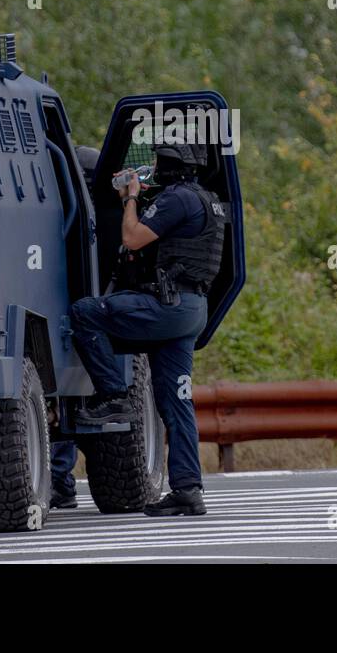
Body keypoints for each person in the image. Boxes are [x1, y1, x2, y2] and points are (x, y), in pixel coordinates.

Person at [68, 139, 226, 517]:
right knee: (177, 403)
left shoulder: (177, 199)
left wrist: (131, 197)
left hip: (167, 309)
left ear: (172, 163)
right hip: (191, 310)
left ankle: (114, 396)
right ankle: (188, 489)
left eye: (159, 160)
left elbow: (132, 237)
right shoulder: (209, 199)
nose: (154, 164)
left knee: (86, 312)